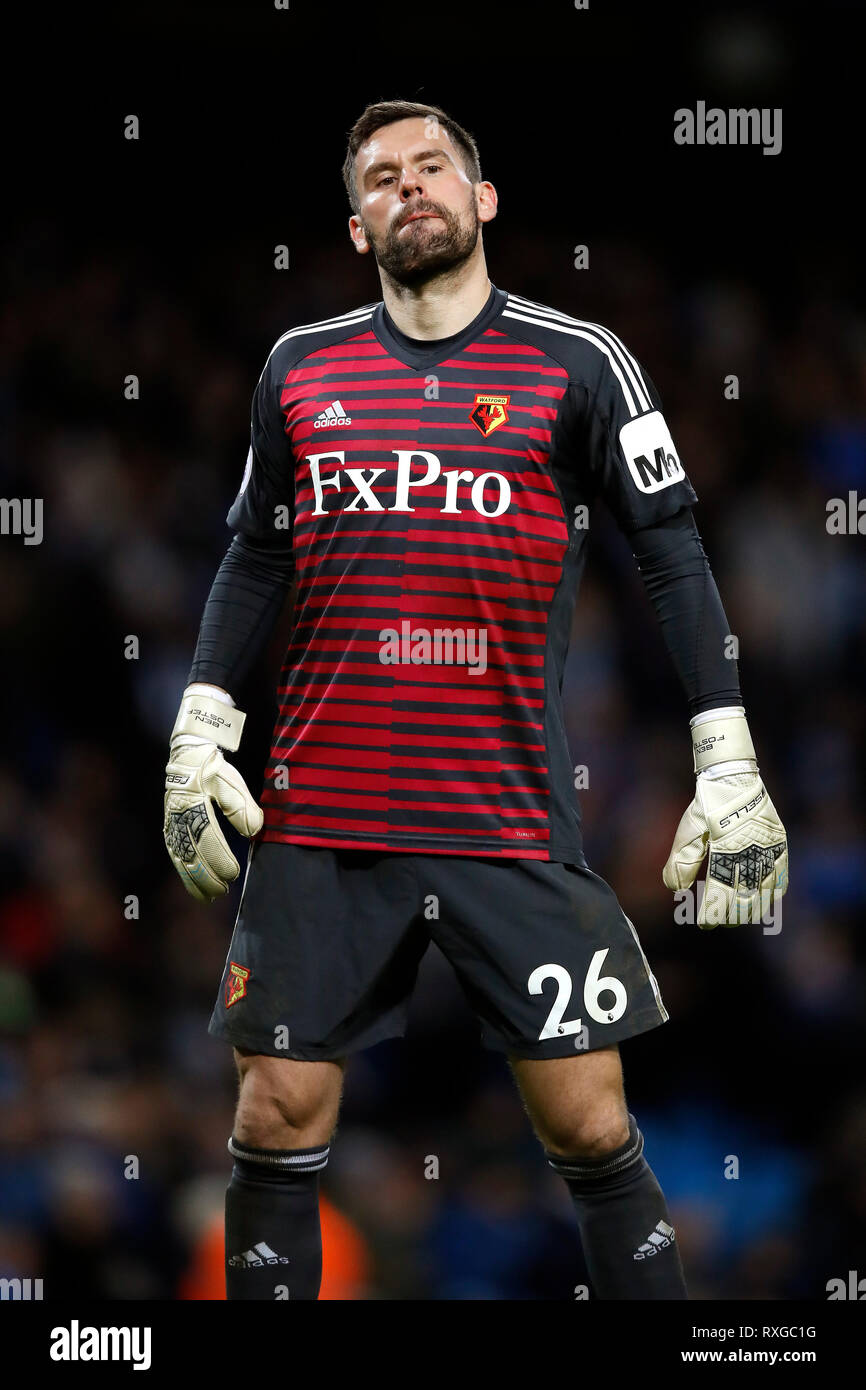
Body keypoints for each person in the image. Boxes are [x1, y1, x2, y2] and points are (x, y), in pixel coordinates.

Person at [163, 99, 788, 1300]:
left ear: (481, 199)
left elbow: (670, 551)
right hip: (322, 808)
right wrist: (201, 730)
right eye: (382, 177)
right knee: (276, 1105)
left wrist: (726, 757)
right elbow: (254, 553)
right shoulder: (299, 368)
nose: (411, 186)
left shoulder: (578, 360)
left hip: (500, 804)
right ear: (357, 224)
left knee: (589, 1123)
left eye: (433, 166)